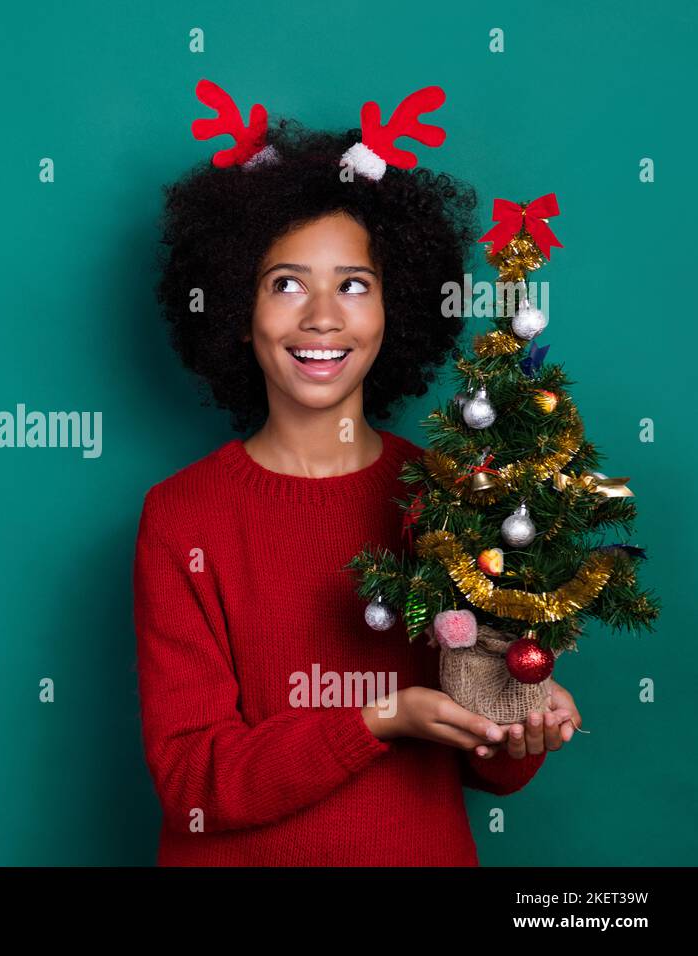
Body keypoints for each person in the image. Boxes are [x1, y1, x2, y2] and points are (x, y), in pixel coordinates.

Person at [135, 104, 580, 866]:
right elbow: (192, 781)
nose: (320, 318)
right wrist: (377, 719)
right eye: (285, 284)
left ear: (392, 307)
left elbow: (494, 771)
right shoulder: (183, 517)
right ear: (238, 311)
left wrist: (518, 725)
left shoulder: (454, 495)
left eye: (352, 285)